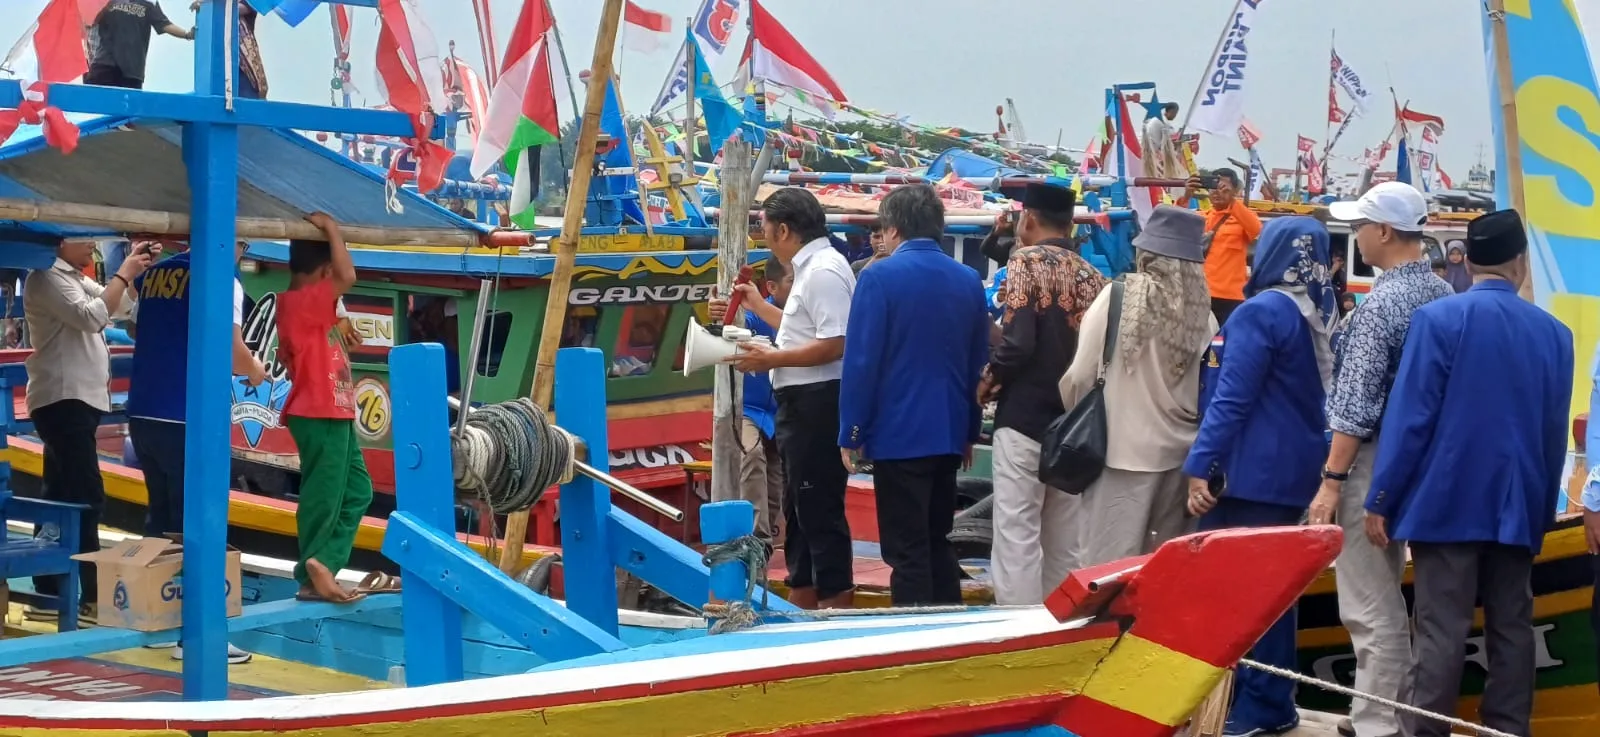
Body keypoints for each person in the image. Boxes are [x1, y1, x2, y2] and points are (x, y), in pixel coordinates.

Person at [1365, 210, 1572, 737]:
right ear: (1521, 262)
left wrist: (1382, 497)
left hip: (1444, 503)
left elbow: (1411, 419)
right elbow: (1553, 433)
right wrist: (1543, 507)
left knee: (1439, 633)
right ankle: (1507, 730)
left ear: (1470, 260)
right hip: (1518, 504)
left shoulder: (1438, 320)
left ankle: (1425, 732)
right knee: (1513, 629)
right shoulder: (1556, 334)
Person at [1309, 181, 1453, 737]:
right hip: (1419, 461)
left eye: (1360, 227)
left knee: (1369, 600)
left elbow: (1355, 404)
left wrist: (1331, 480)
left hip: (1370, 461)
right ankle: (1380, 709)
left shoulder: (1381, 305)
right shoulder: (1442, 294)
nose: (1356, 237)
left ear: (1384, 232)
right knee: (1391, 591)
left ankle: (1376, 719)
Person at [1184, 216, 1338, 737]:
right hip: (1292, 472)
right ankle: (1272, 701)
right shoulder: (1314, 311)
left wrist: (1200, 465)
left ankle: (1257, 706)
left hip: (1250, 475)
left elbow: (1232, 396)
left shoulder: (1261, 312)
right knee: (1274, 594)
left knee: (1243, 594)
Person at [838, 185, 989, 606]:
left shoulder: (878, 277)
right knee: (938, 538)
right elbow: (978, 363)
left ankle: (915, 631)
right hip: (949, 429)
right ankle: (949, 627)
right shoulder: (968, 279)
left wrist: (851, 431)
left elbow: (862, 362)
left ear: (894, 229)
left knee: (905, 551)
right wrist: (970, 431)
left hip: (898, 433)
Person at [125, 239, 264, 664]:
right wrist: (257, 370)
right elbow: (231, 346)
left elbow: (137, 326)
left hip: (143, 411)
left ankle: (157, 624)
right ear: (237, 242)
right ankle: (202, 636)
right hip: (187, 414)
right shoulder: (224, 277)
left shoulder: (155, 274)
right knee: (201, 524)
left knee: (160, 518)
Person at [1060, 205, 1215, 568]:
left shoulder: (1117, 299)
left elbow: (1080, 375)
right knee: (1162, 571)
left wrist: (1082, 415)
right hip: (1180, 464)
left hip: (1120, 457)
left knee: (1106, 570)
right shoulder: (1203, 317)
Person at [726, 188, 856, 609]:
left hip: (817, 401)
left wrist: (773, 358)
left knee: (817, 507)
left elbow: (837, 342)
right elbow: (804, 330)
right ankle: (805, 596)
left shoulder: (823, 271)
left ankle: (835, 605)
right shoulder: (814, 269)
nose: (763, 236)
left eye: (764, 227)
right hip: (802, 401)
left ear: (783, 229)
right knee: (799, 508)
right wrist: (759, 306)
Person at [983, 183, 1107, 605]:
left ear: (1029, 219)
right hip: (1075, 425)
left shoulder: (1026, 262)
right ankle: (1060, 629)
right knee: (1065, 542)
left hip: (1023, 418)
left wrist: (989, 377)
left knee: (1017, 534)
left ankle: (1016, 635)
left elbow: (1017, 344)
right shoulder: (1096, 278)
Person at [22, 237, 158, 621]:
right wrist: (123, 271)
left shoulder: (74, 278)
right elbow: (91, 317)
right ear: (63, 242)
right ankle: (93, 596)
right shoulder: (46, 278)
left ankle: (49, 593)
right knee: (86, 496)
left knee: (59, 495)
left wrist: (131, 273)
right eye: (86, 239)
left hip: (74, 400)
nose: (94, 247)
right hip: (63, 398)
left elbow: (119, 307)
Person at [277, 213, 372, 604]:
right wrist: (335, 228)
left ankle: (321, 565)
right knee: (324, 493)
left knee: (358, 491)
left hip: (334, 411)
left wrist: (341, 318)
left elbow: (338, 297)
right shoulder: (302, 303)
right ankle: (315, 567)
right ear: (326, 271)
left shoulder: (313, 305)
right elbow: (347, 278)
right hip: (319, 410)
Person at [707, 259, 793, 548]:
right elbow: (734, 323)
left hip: (782, 410)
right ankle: (758, 540)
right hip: (749, 409)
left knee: (776, 472)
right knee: (752, 454)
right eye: (791, 282)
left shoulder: (801, 314)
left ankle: (768, 539)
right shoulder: (756, 316)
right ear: (771, 287)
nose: (798, 287)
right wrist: (720, 310)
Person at [1185, 168, 1263, 327]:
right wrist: (1186, 195)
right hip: (1199, 295)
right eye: (1213, 187)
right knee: (1199, 347)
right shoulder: (1201, 217)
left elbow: (1256, 229)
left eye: (1224, 187)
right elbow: (1174, 225)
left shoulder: (1242, 218)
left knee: (1227, 345)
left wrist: (1233, 202)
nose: (1217, 192)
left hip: (1231, 298)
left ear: (1234, 190)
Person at [86, 1, 194, 90]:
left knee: (127, 114)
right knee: (97, 106)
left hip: (132, 71)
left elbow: (165, 24)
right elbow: (87, 19)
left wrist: (187, 34)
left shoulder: (149, 3)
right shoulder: (107, 1)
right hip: (105, 64)